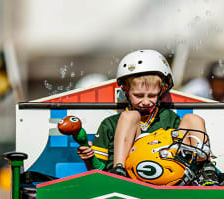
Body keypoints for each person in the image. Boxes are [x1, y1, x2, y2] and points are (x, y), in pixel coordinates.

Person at [78, 50, 211, 177]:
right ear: (126, 90)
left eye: (152, 96)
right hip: (128, 180)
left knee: (193, 119)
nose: (146, 102)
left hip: (168, 177)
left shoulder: (170, 118)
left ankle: (206, 169)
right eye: (139, 95)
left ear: (162, 90)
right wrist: (90, 159)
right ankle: (119, 169)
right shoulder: (110, 124)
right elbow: (98, 170)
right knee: (130, 116)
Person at [182, 60, 224, 137]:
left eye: (222, 82)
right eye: (215, 81)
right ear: (209, 82)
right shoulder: (197, 91)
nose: (218, 86)